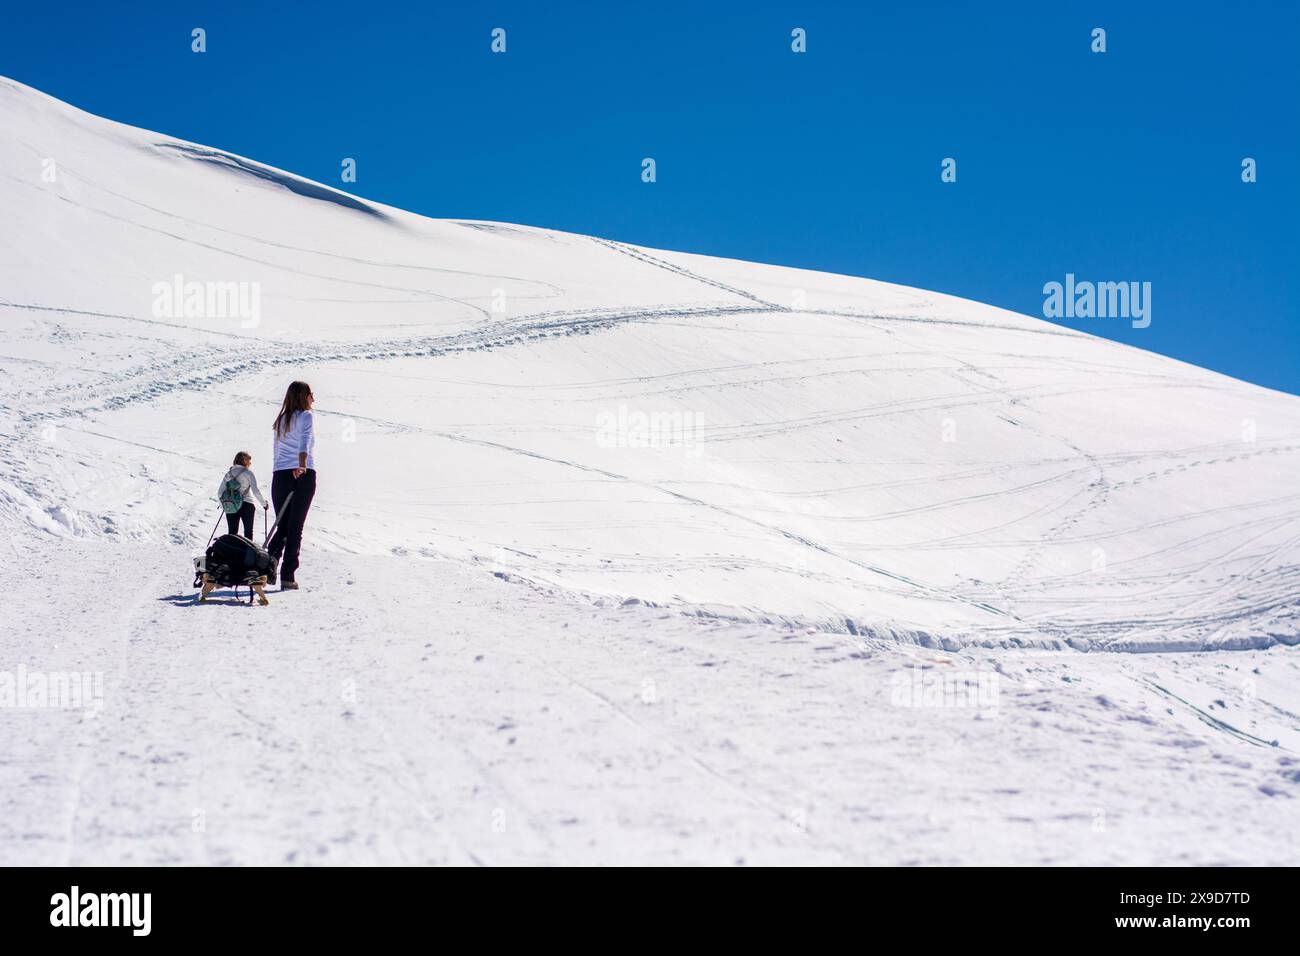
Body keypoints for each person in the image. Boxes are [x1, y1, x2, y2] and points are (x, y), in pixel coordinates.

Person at [266, 381, 317, 590]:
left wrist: (281, 473)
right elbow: (304, 441)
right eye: (311, 394)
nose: (313, 398)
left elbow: (277, 452)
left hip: (279, 476)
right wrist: (302, 465)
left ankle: (268, 565)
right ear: (304, 396)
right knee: (295, 526)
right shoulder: (306, 416)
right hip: (301, 474)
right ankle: (287, 576)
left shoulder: (280, 420)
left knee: (283, 525)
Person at [217, 451, 268, 538]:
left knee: (232, 533)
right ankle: (247, 551)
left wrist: (223, 505)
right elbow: (255, 491)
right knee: (248, 533)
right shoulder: (248, 473)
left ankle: (231, 550)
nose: (250, 463)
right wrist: (264, 504)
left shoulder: (229, 474)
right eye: (249, 461)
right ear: (245, 461)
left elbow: (219, 493)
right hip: (247, 505)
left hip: (231, 505)